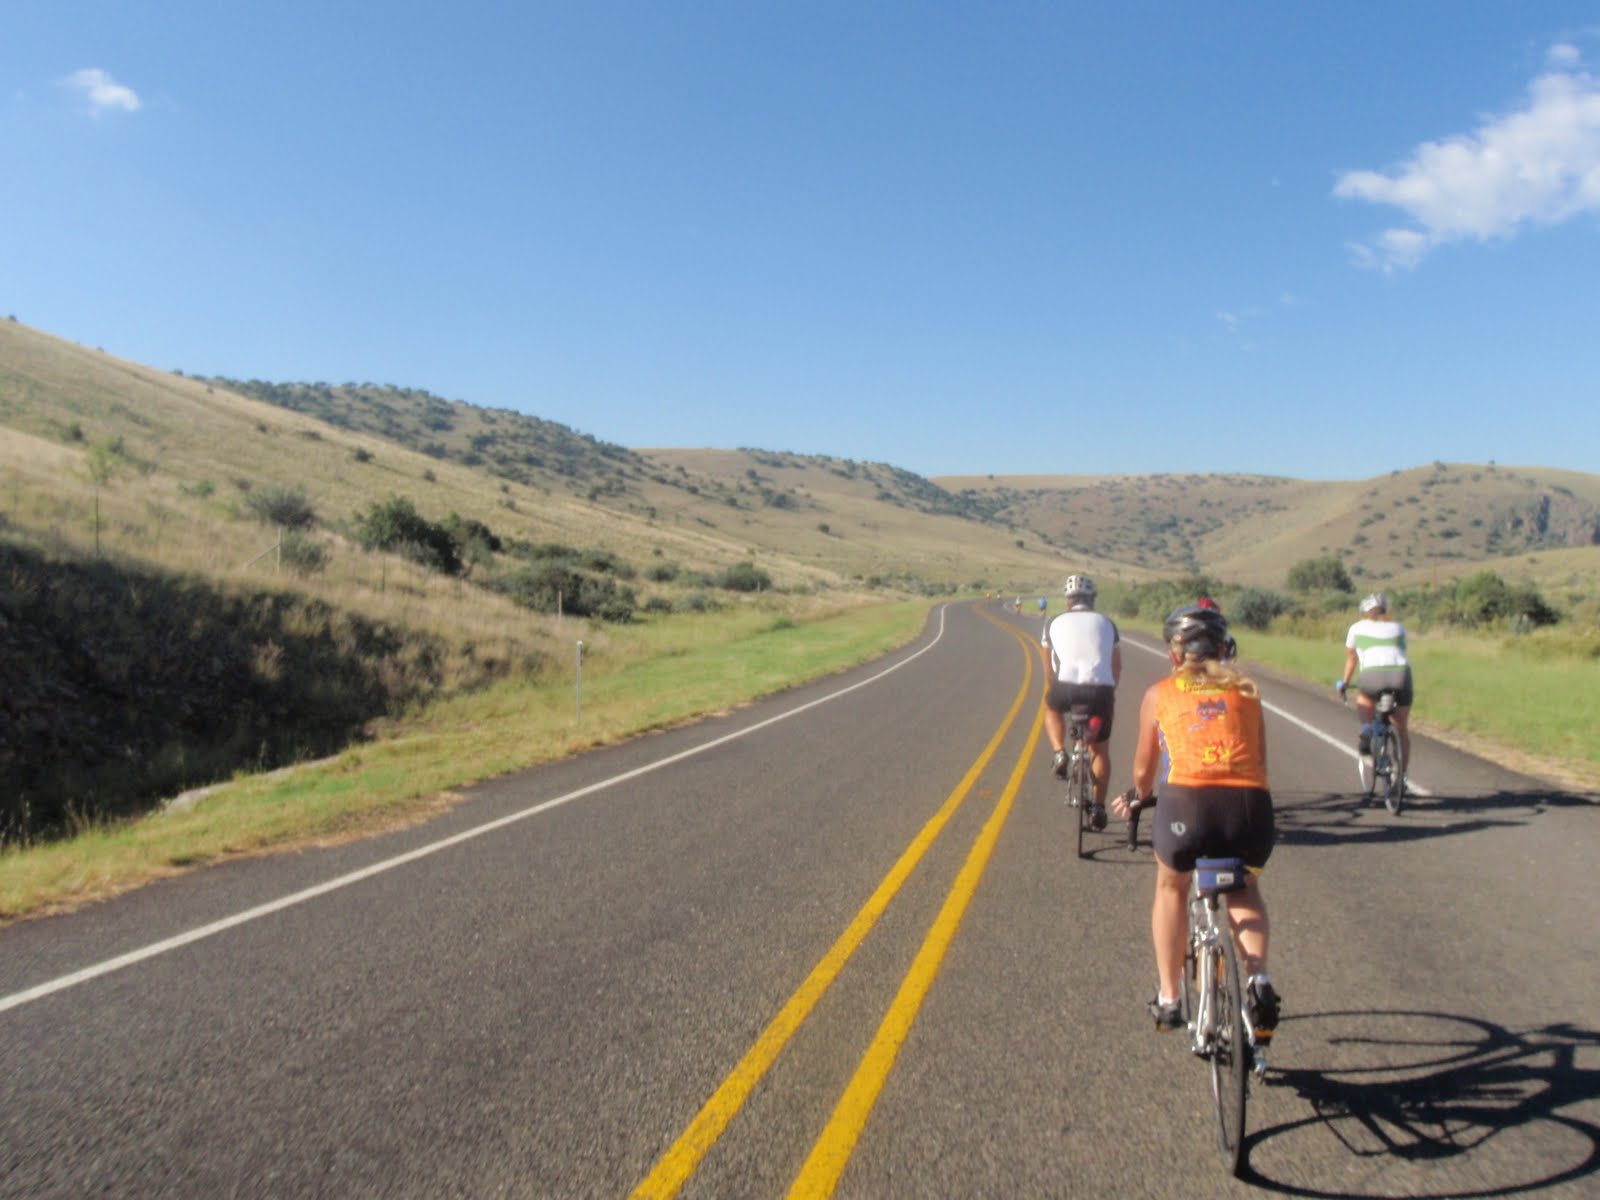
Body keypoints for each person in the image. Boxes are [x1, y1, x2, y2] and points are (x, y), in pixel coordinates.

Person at [1111, 604, 1280, 1044]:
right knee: (1244, 887)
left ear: (1174, 653)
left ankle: (1170, 998)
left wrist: (1139, 795)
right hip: (1249, 806)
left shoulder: (1160, 693)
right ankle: (1258, 980)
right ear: (1224, 649)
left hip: (1186, 804)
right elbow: (1260, 759)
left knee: (1172, 887)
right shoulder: (1247, 690)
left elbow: (1144, 769)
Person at [1041, 574, 1121, 830]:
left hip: (1065, 686)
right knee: (1100, 751)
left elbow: (1048, 667)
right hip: (1100, 690)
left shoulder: (1053, 622)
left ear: (1068, 600)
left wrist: (1054, 691)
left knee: (1051, 709)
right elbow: (1116, 666)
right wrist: (1108, 695)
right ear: (1092, 599)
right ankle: (1098, 806)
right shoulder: (1107, 623)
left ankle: (1059, 752)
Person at [1337, 592, 1413, 770]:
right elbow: (1401, 651)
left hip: (1372, 675)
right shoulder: (1399, 628)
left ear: (1365, 612)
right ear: (1385, 610)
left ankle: (1366, 729)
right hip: (1401, 674)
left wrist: (1345, 682)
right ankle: (1401, 776)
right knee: (1402, 728)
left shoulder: (1356, 628)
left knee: (1364, 699)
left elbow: (1352, 659)